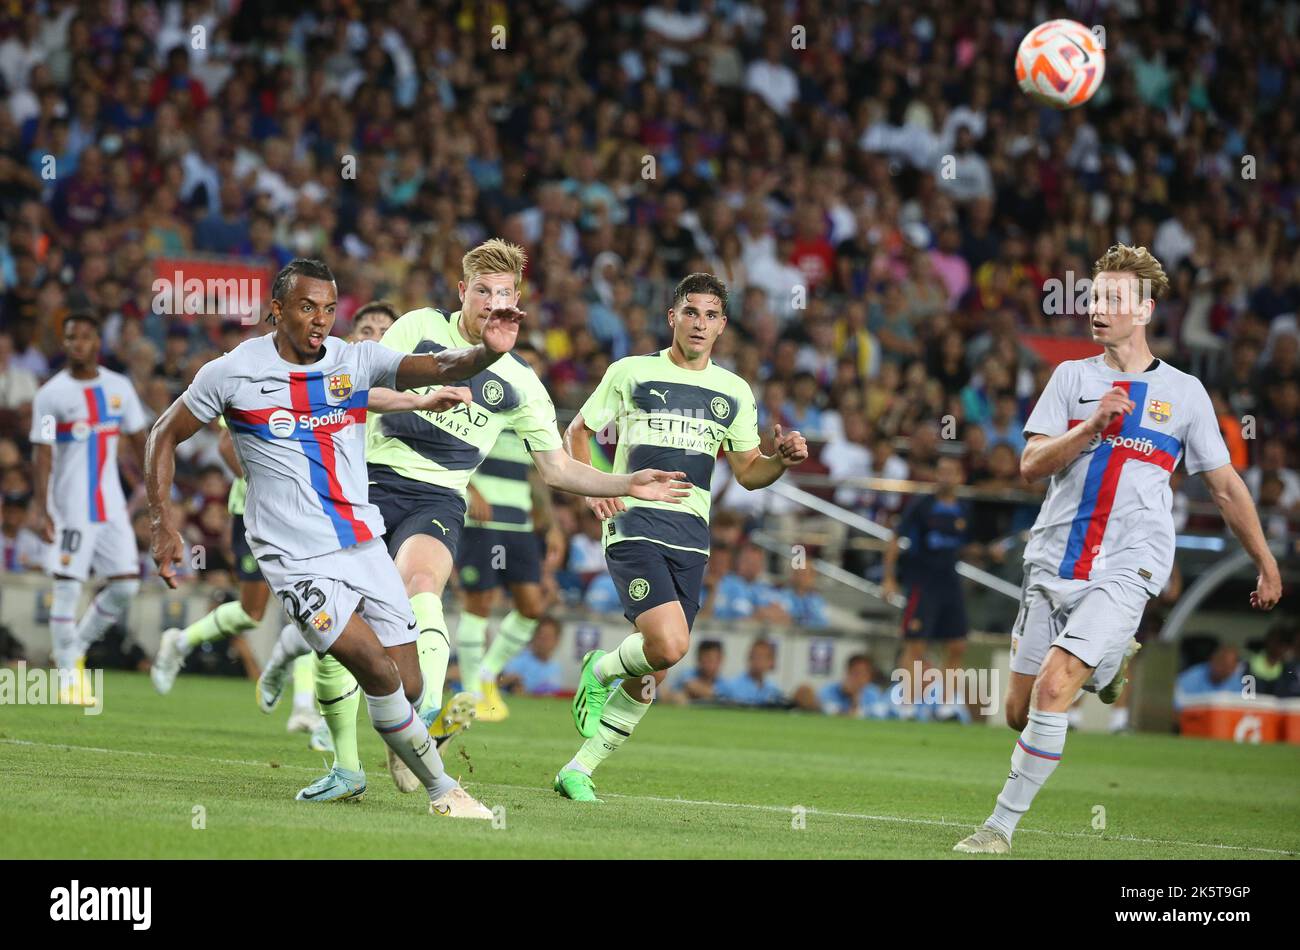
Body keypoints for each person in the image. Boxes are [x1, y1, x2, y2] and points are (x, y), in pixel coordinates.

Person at [144, 257, 517, 817]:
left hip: (362, 543)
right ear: (276, 310)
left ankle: (356, 714)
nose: (320, 319)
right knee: (374, 664)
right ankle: (445, 791)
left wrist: (489, 350)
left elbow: (441, 366)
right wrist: (161, 521)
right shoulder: (231, 372)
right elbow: (163, 434)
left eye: (327, 308)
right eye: (306, 307)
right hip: (293, 557)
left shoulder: (352, 360)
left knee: (409, 683)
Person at [954, 245, 1281, 854]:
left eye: (1111, 300)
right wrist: (1089, 428)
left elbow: (1225, 485)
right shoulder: (1071, 379)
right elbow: (1028, 464)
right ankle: (1109, 663)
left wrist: (1264, 559)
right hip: (1053, 559)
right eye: (1093, 298)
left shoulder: (1185, 394)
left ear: (1146, 310)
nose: (1097, 309)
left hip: (1129, 564)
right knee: (1019, 712)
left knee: (1055, 690)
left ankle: (998, 827)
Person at [348, 238, 690, 795]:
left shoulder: (521, 383)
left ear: (516, 302)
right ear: (463, 292)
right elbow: (361, 392)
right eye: (482, 290)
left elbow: (557, 469)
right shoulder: (415, 328)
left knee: (423, 587)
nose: (491, 301)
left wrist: (626, 481)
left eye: (503, 294)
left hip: (438, 498)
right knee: (356, 628)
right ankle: (367, 744)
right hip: (370, 482)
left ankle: (427, 719)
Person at [554, 272, 809, 803]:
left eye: (711, 315)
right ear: (672, 317)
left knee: (660, 665)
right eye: (690, 311)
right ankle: (599, 669)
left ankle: (579, 769)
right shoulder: (631, 372)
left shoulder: (734, 391)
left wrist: (780, 462)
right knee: (669, 642)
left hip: (692, 535)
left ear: (722, 326)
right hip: (634, 522)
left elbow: (747, 472)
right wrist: (594, 489)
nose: (699, 323)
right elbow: (577, 431)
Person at [29, 311, 147, 705]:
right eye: (69, 338)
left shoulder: (119, 388)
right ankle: (67, 677)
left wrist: (154, 488)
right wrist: (43, 507)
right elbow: (42, 455)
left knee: (127, 585)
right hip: (70, 508)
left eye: (82, 337)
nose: (75, 344)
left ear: (97, 342)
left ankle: (72, 647)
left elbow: (138, 439)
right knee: (67, 590)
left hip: (111, 506)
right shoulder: (50, 395)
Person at [882, 454, 977, 705]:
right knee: (915, 643)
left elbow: (962, 546)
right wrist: (889, 578)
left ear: (960, 477)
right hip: (921, 581)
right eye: (941, 471)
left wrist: (988, 552)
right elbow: (895, 540)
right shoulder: (921, 505)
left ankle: (947, 703)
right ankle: (907, 702)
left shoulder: (965, 509)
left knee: (957, 644)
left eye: (951, 471)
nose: (945, 476)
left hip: (950, 580)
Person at [499, 616, 564, 696]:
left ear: (557, 640)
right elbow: (499, 684)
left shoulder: (556, 668)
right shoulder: (517, 661)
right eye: (540, 636)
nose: (543, 641)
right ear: (533, 636)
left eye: (548, 637)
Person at [714, 638, 786, 707]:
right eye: (756, 656)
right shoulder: (730, 686)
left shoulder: (773, 690)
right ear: (749, 657)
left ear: (771, 661)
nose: (759, 661)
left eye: (764, 657)